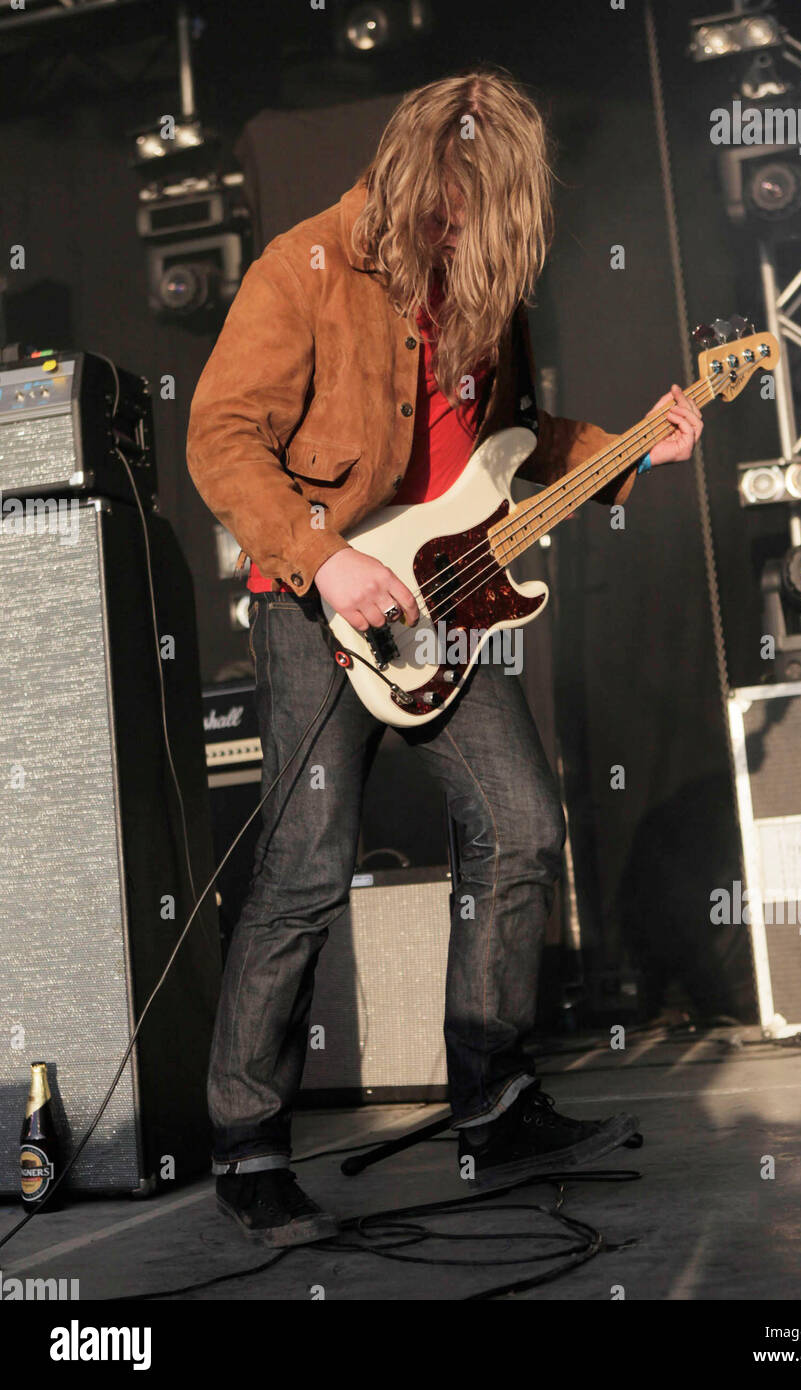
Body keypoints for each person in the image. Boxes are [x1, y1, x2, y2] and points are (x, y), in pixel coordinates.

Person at [187, 70, 703, 1248]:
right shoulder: (301, 268)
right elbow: (218, 433)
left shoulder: (475, 289)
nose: (471, 230)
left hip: (452, 597)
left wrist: (633, 452)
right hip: (321, 606)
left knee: (520, 826)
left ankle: (494, 1100)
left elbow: (513, 442)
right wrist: (324, 562)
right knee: (306, 870)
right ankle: (248, 1143)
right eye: (462, 204)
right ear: (426, 175)